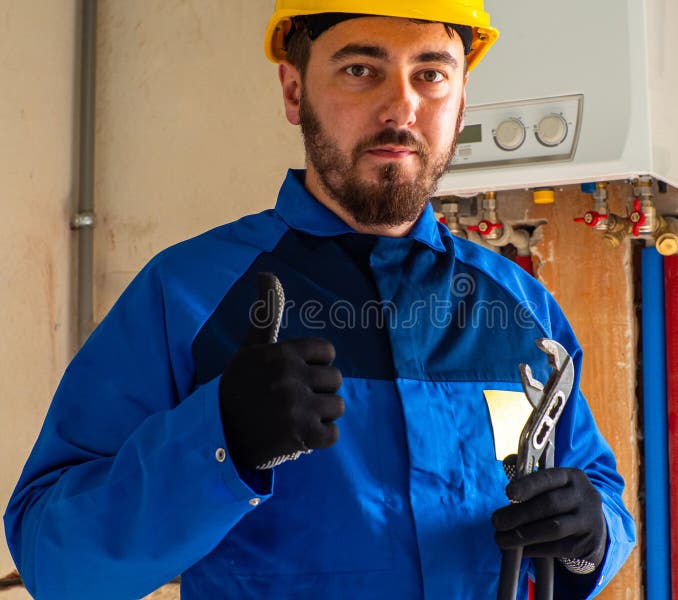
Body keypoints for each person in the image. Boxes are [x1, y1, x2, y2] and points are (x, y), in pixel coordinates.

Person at [4, 1, 635, 598]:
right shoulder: (190, 295)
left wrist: (591, 535)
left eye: (431, 75)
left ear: (462, 100)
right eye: (361, 70)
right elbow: (54, 561)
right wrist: (219, 440)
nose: (400, 107)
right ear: (293, 90)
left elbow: (597, 488)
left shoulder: (519, 305)